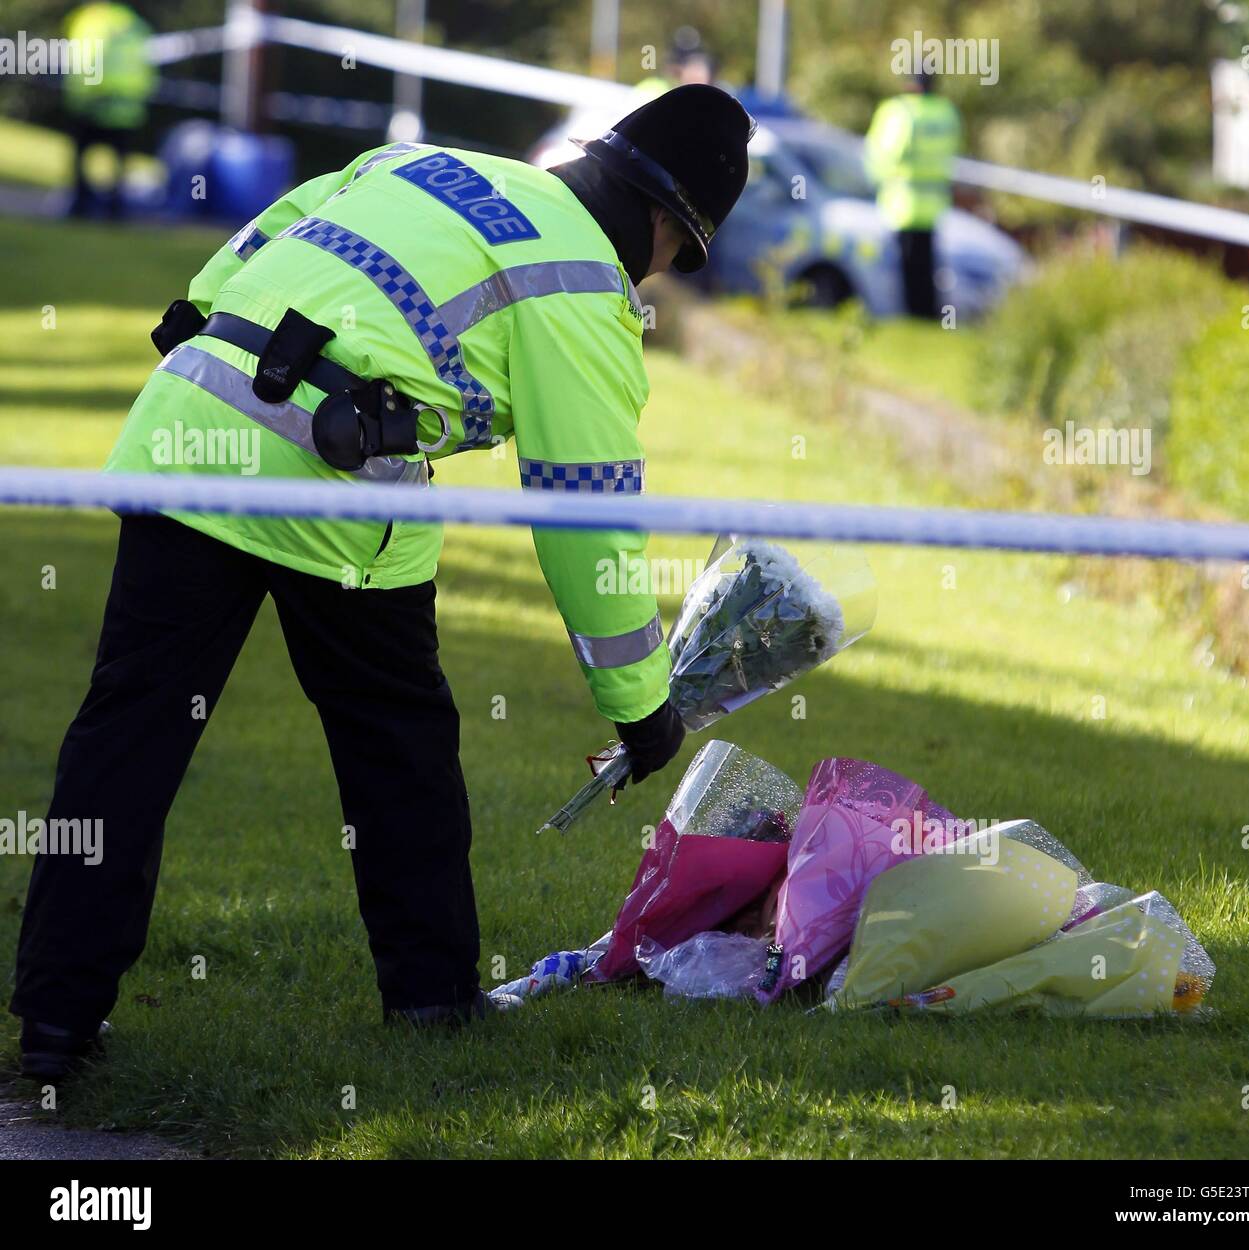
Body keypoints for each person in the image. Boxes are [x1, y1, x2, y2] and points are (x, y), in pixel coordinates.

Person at [13, 84, 755, 1080]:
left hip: (184, 422)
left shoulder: (428, 163)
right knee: (396, 738)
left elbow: (254, 244)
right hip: (331, 475)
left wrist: (210, 349)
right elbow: (586, 512)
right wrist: (642, 706)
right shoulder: (581, 283)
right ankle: (432, 1003)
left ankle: (55, 1024)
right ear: (670, 227)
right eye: (676, 259)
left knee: (126, 734)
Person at [865, 72, 961, 318]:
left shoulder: (900, 112)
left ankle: (910, 314)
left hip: (902, 201)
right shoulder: (945, 112)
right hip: (933, 202)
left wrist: (873, 181)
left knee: (905, 265)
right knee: (927, 263)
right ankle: (928, 313)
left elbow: (883, 154)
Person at [62, 2, 157, 218]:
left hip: (95, 103)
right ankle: (116, 208)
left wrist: (84, 97)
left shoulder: (90, 19)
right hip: (127, 108)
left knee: (82, 157)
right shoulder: (135, 23)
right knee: (119, 163)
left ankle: (81, 205)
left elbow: (88, 59)